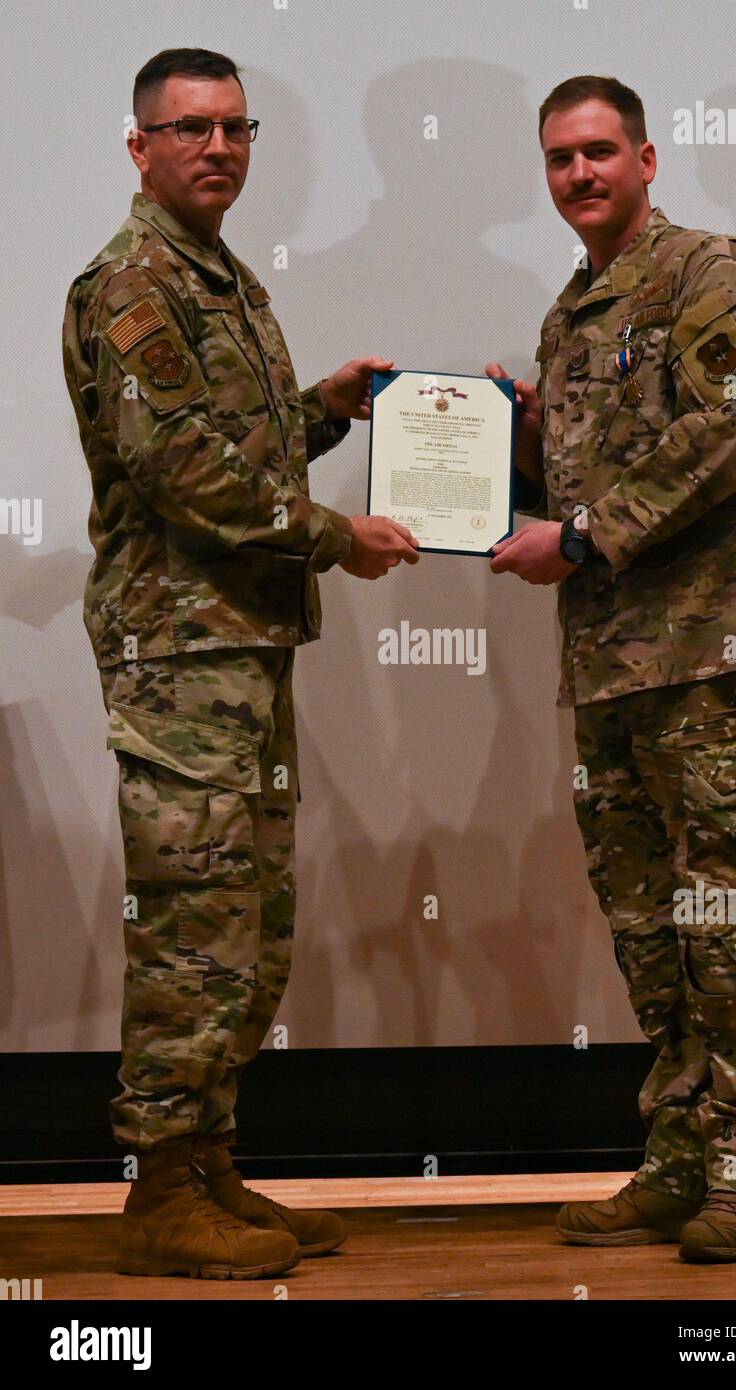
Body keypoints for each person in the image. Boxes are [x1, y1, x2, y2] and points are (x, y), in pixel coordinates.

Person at [62, 46, 418, 1280]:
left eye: (236, 128)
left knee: (248, 929)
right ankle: (159, 1189)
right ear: (140, 145)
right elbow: (185, 474)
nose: (218, 148)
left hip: (238, 652)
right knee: (194, 931)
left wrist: (321, 408)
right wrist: (336, 535)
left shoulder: (216, 278)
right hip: (181, 659)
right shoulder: (133, 285)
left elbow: (236, 444)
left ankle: (209, 1163)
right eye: (190, 129)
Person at [486, 75, 736, 1263]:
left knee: (726, 920)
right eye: (558, 160)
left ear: (645, 158)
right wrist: (518, 440)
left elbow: (721, 433)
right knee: (649, 929)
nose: (578, 176)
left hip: (714, 656)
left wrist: (576, 536)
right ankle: (680, 1157)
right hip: (616, 670)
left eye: (597, 154)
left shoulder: (709, 271)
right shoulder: (571, 312)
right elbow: (587, 474)